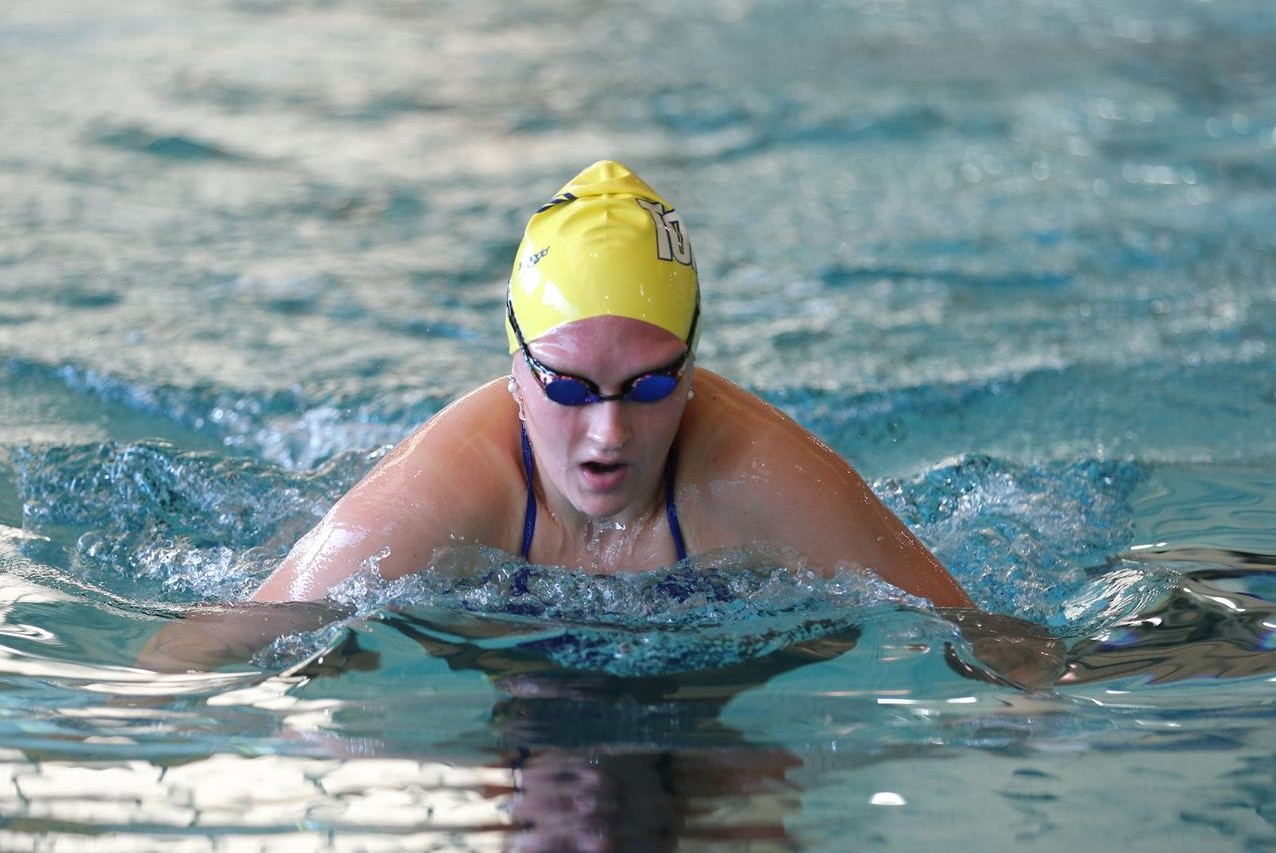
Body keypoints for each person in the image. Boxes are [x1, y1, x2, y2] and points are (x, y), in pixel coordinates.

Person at [249, 160, 973, 609]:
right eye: (567, 387)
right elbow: (219, 647)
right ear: (516, 370)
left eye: (650, 385)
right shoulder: (444, 489)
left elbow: (988, 641)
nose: (610, 431)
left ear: (692, 369)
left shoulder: (765, 476)